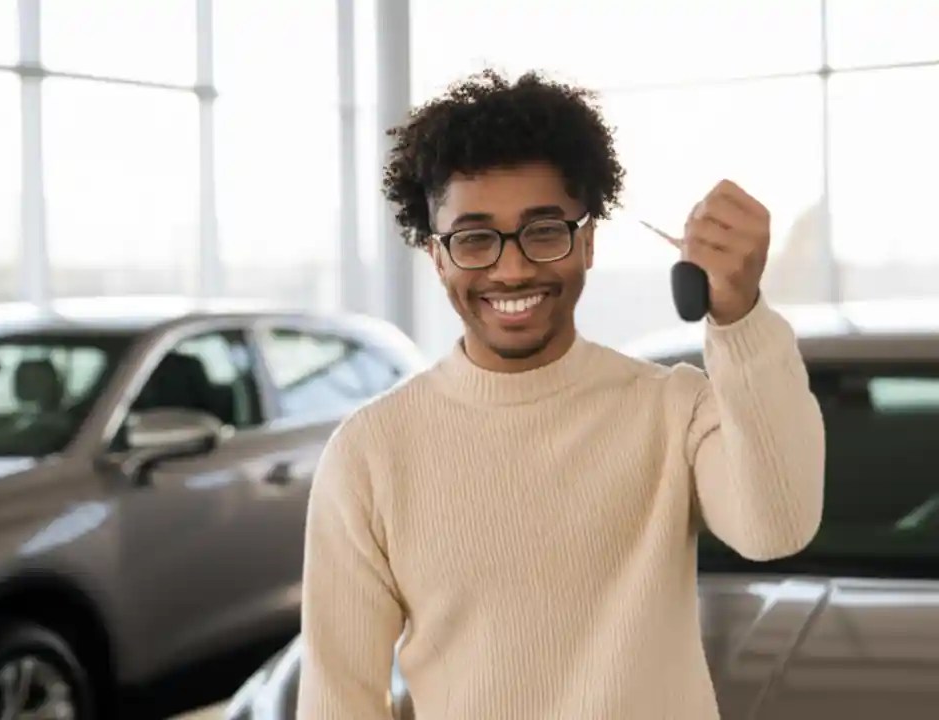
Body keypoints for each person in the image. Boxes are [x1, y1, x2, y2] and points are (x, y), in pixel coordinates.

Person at [296, 69, 825, 719]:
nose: (512, 267)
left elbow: (778, 527)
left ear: (588, 241)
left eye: (544, 230)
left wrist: (739, 317)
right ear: (437, 257)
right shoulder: (371, 453)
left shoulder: (672, 411)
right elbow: (337, 701)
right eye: (475, 238)